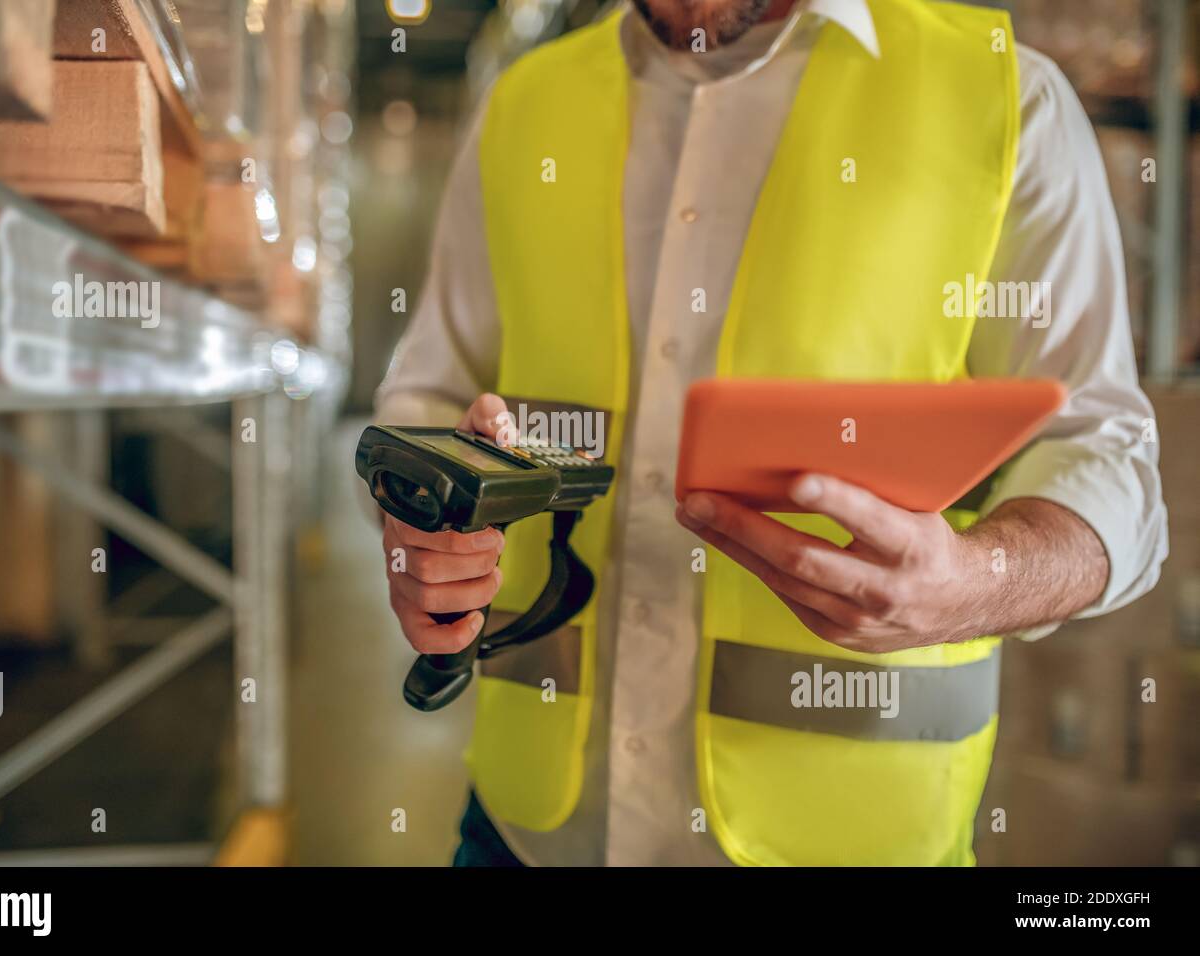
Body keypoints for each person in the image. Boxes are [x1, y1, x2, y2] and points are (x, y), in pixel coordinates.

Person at [374, 0, 1168, 866]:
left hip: (854, 844)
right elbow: (427, 395)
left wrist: (976, 581)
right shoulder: (525, 105)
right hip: (525, 832)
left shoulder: (1004, 95)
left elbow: (1103, 455)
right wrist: (421, 521)